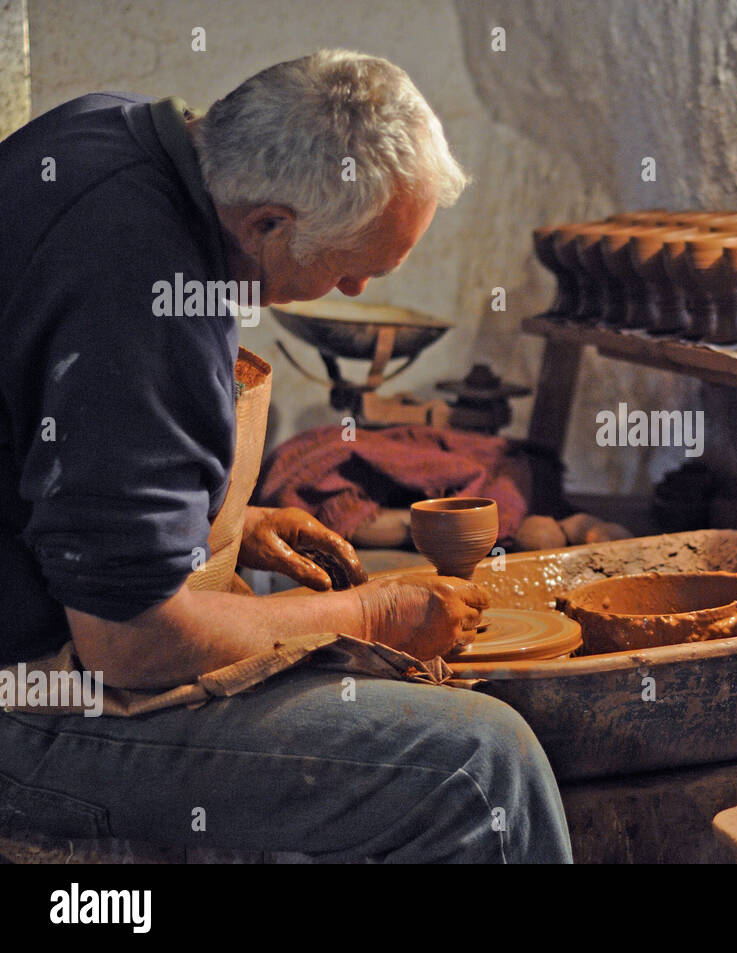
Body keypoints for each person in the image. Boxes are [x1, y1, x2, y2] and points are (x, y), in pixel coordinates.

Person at [0, 50, 572, 863]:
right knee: (482, 764)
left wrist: (226, 519)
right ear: (267, 222)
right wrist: (374, 615)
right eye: (349, 270)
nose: (346, 292)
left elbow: (63, 446)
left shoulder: (112, 132)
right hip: (25, 693)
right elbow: (130, 642)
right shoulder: (141, 281)